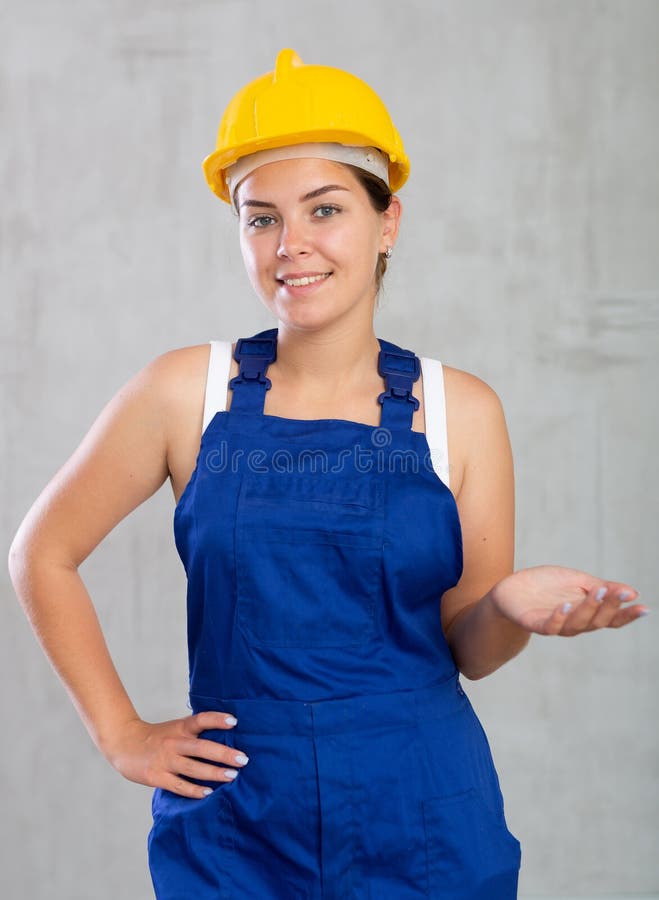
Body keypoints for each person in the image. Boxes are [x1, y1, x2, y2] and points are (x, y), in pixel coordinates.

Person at [8, 48, 647, 900]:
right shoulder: (181, 394)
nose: (290, 245)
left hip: (422, 818)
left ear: (387, 223)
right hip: (237, 822)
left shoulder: (461, 411)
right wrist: (120, 733)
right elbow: (40, 553)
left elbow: (473, 652)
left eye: (325, 209)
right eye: (260, 217)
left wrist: (506, 608)